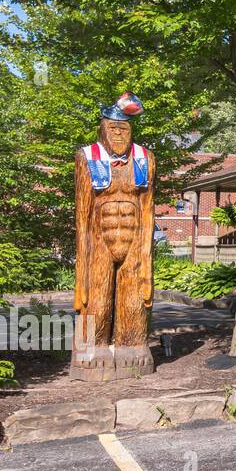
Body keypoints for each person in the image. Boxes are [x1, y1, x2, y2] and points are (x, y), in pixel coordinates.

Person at [72, 92, 156, 380]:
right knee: (96, 297)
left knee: (134, 297)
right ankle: (88, 348)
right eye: (113, 128)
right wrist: (82, 256)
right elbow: (82, 211)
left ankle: (132, 345)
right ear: (102, 129)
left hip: (134, 237)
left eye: (125, 128)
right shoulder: (87, 157)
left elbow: (148, 206)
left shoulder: (145, 159)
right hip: (99, 238)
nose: (119, 133)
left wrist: (145, 252)